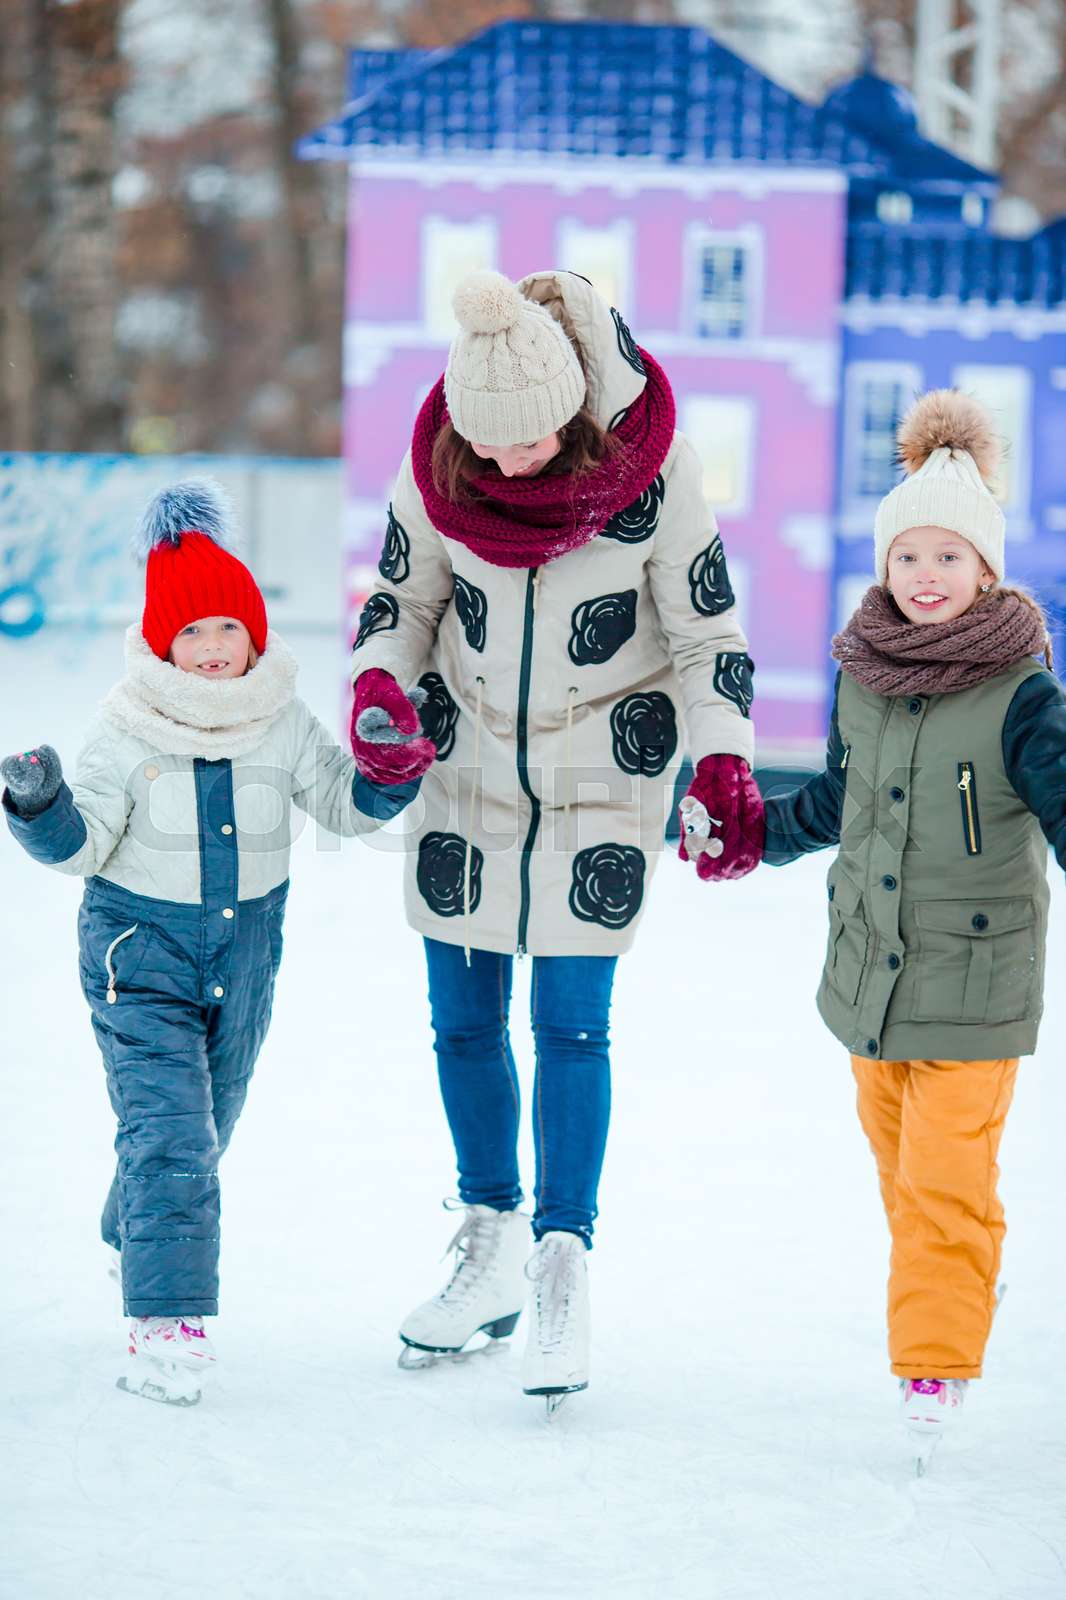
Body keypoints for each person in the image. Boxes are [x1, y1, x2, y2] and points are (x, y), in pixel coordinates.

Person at [348, 267, 764, 1409]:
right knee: (461, 1021)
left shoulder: (653, 463)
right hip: (467, 766)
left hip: (599, 776)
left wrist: (720, 755)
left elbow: (706, 630)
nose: (509, 465)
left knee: (571, 1027)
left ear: (575, 413)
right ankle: (485, 1233)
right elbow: (398, 604)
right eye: (491, 449)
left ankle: (560, 1260)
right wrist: (380, 694)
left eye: (530, 444)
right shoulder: (439, 457)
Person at [2, 481, 419, 1406]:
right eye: (193, 632)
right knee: (173, 1136)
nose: (214, 647)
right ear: (162, 643)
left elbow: (346, 807)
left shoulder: (282, 716)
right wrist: (41, 807)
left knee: (207, 1127)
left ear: (254, 632)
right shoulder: (124, 728)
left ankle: (136, 1227)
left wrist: (390, 769)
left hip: (244, 958)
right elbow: (81, 848)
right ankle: (169, 1330)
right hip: (137, 956)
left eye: (230, 627)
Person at [757, 390, 1066, 1467]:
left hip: (974, 989)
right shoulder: (865, 682)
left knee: (940, 1186)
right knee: (913, 1186)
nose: (924, 577)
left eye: (946, 557)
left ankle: (932, 1363)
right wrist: (750, 832)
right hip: (869, 984)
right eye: (907, 559)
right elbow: (833, 803)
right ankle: (959, 1272)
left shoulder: (1024, 695)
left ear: (985, 571)